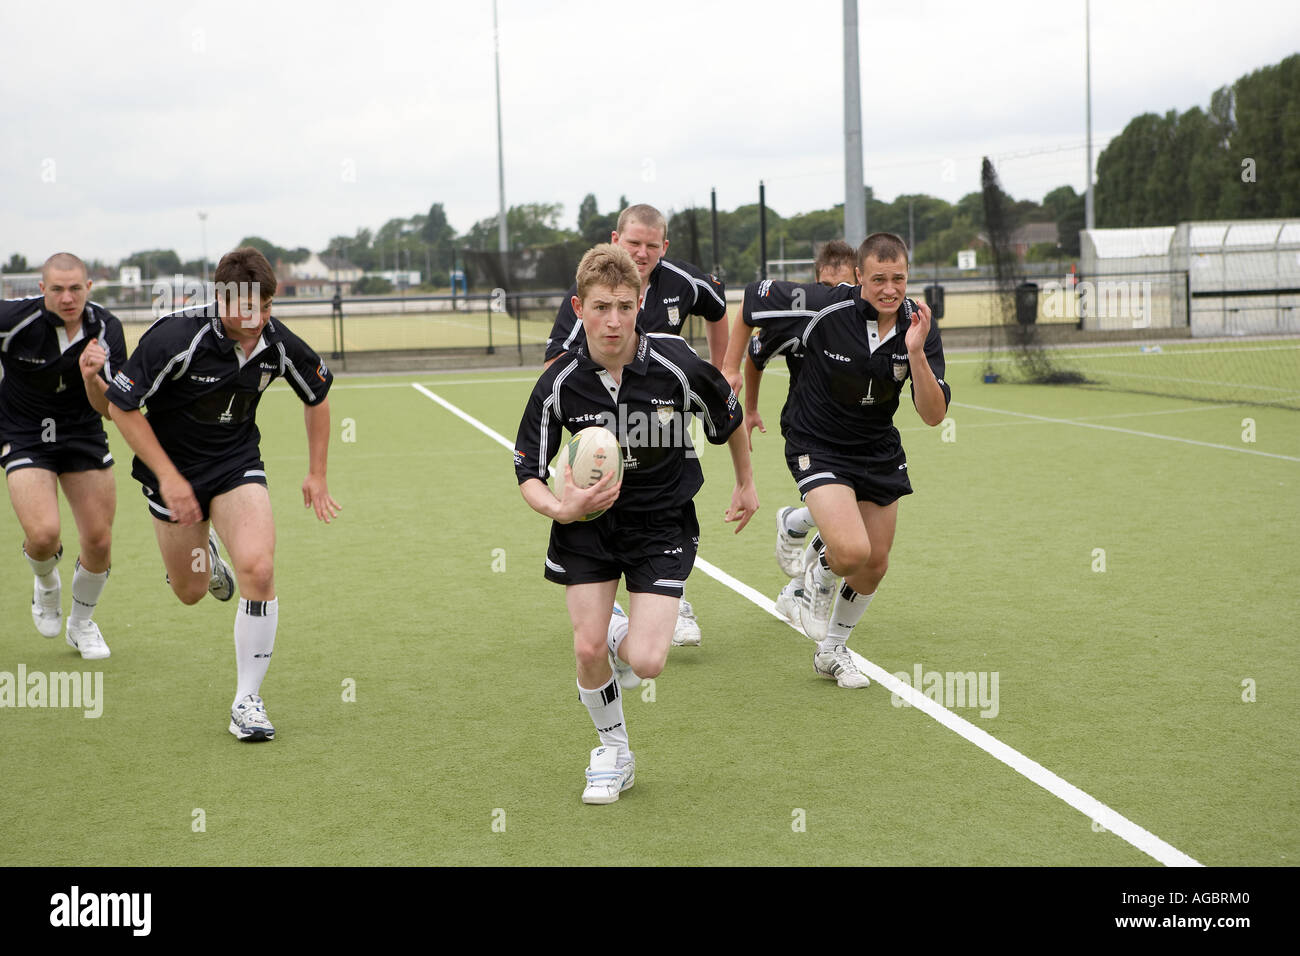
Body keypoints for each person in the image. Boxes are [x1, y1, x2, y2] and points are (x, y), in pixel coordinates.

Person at [514, 243, 756, 803]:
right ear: (579, 308)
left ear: (641, 303)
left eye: (625, 305)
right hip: (587, 526)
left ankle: (619, 629)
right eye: (601, 307)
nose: (614, 320)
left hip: (661, 525)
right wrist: (560, 508)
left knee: (647, 662)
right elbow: (527, 466)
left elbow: (730, 417)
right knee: (586, 648)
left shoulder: (676, 366)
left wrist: (745, 482)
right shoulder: (560, 383)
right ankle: (613, 750)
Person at [104, 246, 340, 740]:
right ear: (220, 298)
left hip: (235, 466)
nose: (257, 321)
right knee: (190, 592)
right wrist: (168, 477)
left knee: (259, 567)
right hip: (173, 473)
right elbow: (122, 406)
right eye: (245, 309)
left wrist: (316, 473)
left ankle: (247, 701)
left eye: (266, 308)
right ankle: (204, 554)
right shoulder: (174, 336)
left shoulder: (276, 342)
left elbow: (317, 397)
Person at [727, 233, 949, 687]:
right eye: (879, 279)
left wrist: (916, 352)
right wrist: (730, 370)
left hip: (876, 446)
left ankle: (833, 649)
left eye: (899, 279)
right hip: (817, 440)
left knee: (875, 563)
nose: (890, 289)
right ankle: (817, 579)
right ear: (858, 277)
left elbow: (932, 415)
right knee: (850, 551)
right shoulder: (822, 304)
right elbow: (751, 303)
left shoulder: (919, 323)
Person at [546, 204, 729, 648]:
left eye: (651, 245)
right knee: (609, 506)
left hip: (662, 418)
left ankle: (669, 594)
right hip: (604, 428)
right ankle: (616, 607)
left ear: (663, 247)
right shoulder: (591, 293)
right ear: (615, 240)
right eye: (633, 243)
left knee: (665, 497)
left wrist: (723, 370)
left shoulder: (681, 283)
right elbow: (554, 366)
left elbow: (719, 310)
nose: (642, 253)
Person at [1, 253, 126, 659]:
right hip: (24, 434)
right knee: (42, 537)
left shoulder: (107, 330)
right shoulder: (13, 322)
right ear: (42, 290)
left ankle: (81, 624)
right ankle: (46, 585)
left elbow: (109, 409)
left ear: (89, 288)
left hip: (82, 431)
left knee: (99, 539)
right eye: (57, 289)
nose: (67, 297)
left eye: (75, 288)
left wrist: (93, 377)